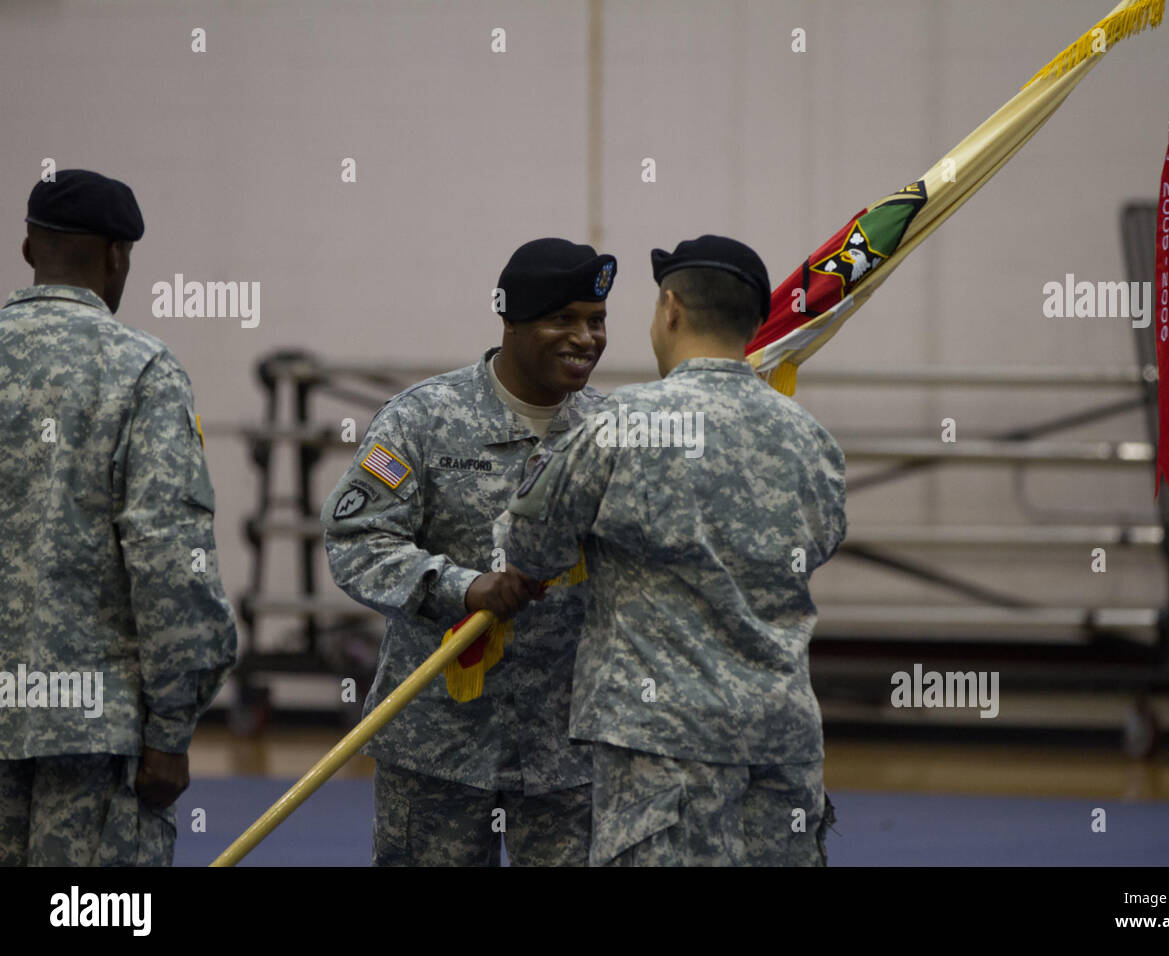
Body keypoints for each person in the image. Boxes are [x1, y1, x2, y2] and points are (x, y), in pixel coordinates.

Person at [496, 235, 846, 866]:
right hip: (782, 735)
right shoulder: (811, 438)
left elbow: (530, 547)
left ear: (671, 308)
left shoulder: (617, 423)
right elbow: (821, 543)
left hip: (662, 745)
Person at [322, 238, 616, 866]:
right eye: (562, 319)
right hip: (438, 747)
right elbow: (358, 540)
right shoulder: (422, 420)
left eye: (596, 321)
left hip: (567, 752)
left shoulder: (611, 434)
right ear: (511, 321)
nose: (585, 338)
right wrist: (460, 585)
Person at [0, 170, 238, 866]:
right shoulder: (140, 371)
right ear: (117, 256)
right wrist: (172, 726)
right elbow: (171, 561)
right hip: (91, 732)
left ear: (25, 248)